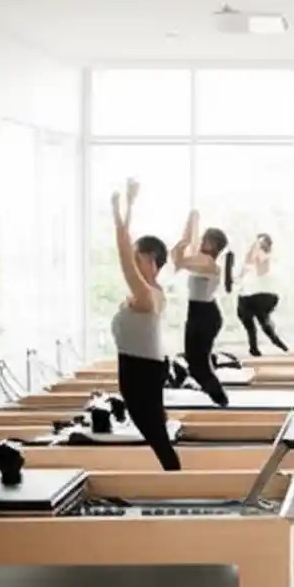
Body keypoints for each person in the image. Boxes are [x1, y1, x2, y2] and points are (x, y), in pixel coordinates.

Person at [109, 178, 180, 471]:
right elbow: (126, 249)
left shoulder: (147, 295)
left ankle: (179, 483)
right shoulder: (146, 293)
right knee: (157, 436)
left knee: (158, 440)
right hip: (140, 369)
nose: (131, 262)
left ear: (151, 262)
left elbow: (122, 251)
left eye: (137, 257)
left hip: (141, 372)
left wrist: (122, 209)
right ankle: (175, 479)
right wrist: (126, 207)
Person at [172, 210, 234, 407]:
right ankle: (220, 399)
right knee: (196, 364)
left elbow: (179, 259)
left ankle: (222, 401)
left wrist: (184, 239)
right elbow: (183, 250)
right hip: (199, 314)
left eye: (204, 239)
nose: (200, 241)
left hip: (205, 316)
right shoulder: (202, 259)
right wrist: (192, 221)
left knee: (198, 366)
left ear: (213, 245)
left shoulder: (206, 262)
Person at [235, 233, 288, 356]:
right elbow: (240, 275)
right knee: (251, 321)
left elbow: (262, 271)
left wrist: (257, 252)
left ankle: (276, 342)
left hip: (262, 296)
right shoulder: (249, 261)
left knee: (263, 320)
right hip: (247, 295)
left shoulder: (266, 258)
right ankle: (255, 347)